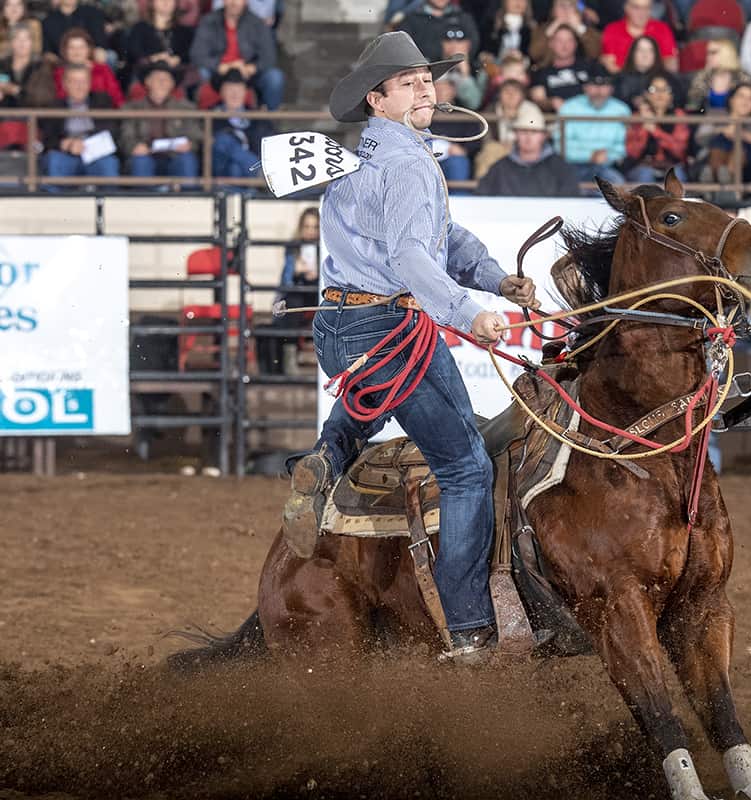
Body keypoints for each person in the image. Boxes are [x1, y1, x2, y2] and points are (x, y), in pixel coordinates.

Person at [286, 31, 541, 660]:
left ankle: (329, 450)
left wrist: (493, 277)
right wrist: (468, 310)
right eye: (409, 82)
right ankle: (470, 629)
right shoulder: (405, 163)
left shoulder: (372, 161)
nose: (427, 86)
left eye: (427, 78)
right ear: (378, 99)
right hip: (385, 329)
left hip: (363, 326)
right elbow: (409, 255)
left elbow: (441, 237)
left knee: (465, 445)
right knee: (466, 467)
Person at [190, 0, 284, 110]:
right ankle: (205, 116)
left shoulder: (257, 23)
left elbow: (269, 57)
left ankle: (269, 119)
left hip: (247, 72)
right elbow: (197, 54)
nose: (234, 2)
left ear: (246, 2)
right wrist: (219, 66)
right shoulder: (209, 21)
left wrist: (251, 68)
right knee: (202, 72)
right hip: (219, 71)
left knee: (275, 77)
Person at [259, 207, 320, 375]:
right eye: (307, 227)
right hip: (298, 294)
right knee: (292, 301)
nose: (310, 232)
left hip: (318, 293)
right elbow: (286, 282)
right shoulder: (293, 247)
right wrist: (295, 270)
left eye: (315, 227)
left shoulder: (325, 246)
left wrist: (318, 275)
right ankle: (290, 356)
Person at [120, 61, 200, 182]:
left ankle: (188, 200)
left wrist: (189, 145)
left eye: (166, 79)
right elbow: (126, 136)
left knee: (186, 160)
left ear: (172, 84)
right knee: (141, 162)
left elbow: (195, 136)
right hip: (146, 156)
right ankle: (143, 199)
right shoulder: (132, 108)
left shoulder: (186, 108)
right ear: (147, 82)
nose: (162, 83)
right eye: (157, 78)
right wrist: (134, 146)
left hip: (174, 156)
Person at [476, 102, 580, 195]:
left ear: (543, 136)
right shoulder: (500, 169)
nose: (528, 137)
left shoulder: (560, 168)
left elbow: (571, 201)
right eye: (524, 131)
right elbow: (482, 197)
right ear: (516, 135)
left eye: (534, 132)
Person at [41, 63, 120, 183]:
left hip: (96, 153)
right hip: (66, 154)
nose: (79, 86)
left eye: (83, 81)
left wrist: (86, 144)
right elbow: (47, 138)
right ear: (64, 84)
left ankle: (110, 201)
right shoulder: (54, 106)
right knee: (54, 160)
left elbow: (111, 130)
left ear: (90, 83)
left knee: (109, 164)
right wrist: (64, 144)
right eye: (74, 82)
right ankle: (55, 201)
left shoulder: (102, 101)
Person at [556, 63, 630, 184]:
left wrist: (608, 156)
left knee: (616, 183)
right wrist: (590, 156)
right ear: (585, 87)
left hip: (609, 166)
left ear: (611, 89)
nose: (599, 91)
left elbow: (623, 146)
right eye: (594, 85)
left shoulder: (622, 110)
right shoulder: (568, 108)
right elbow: (560, 145)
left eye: (604, 85)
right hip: (574, 165)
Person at [693, 82, 751, 184]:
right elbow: (699, 138)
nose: (745, 102)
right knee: (721, 140)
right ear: (731, 99)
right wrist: (721, 131)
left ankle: (723, 183)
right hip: (711, 158)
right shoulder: (715, 115)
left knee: (740, 146)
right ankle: (720, 181)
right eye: (741, 96)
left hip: (747, 168)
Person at [623, 75, 688, 183]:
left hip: (671, 165)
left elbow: (679, 151)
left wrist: (655, 131)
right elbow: (632, 153)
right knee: (645, 175)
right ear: (646, 94)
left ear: (671, 95)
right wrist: (644, 126)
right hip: (643, 166)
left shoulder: (678, 116)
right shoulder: (637, 117)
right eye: (654, 90)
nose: (660, 94)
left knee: (676, 176)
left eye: (665, 90)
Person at [210, 67, 273, 178]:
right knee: (223, 140)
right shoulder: (210, 116)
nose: (235, 94)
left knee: (236, 167)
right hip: (222, 170)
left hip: (243, 173)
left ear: (245, 92)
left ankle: (251, 183)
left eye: (239, 89)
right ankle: (259, 173)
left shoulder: (257, 116)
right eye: (230, 89)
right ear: (221, 92)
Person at [125, 0, 197, 93]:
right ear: (152, 3)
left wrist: (178, 59)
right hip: (146, 71)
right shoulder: (140, 28)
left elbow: (191, 52)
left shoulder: (184, 31)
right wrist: (152, 58)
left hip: (177, 72)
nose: (166, 2)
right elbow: (133, 51)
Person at [528, 24, 596, 111]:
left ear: (575, 44)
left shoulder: (590, 67)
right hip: (556, 119)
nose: (565, 45)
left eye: (569, 40)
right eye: (559, 41)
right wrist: (551, 103)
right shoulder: (540, 72)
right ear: (551, 44)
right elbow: (538, 99)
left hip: (586, 115)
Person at [600, 0, 678, 74]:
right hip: (622, 82)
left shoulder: (662, 29)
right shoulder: (612, 30)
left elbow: (670, 61)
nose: (642, 13)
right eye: (636, 8)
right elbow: (609, 63)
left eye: (646, 8)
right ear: (626, 8)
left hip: (655, 82)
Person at [53, 27, 124, 107]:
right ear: (65, 51)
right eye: (72, 48)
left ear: (89, 50)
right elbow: (57, 100)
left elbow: (116, 97)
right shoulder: (59, 73)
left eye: (81, 48)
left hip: (100, 114)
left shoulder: (102, 70)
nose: (77, 52)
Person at [685, 38, 751, 114]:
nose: (708, 57)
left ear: (726, 54)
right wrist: (703, 113)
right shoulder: (702, 77)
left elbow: (749, 108)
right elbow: (693, 107)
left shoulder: (742, 78)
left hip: (737, 122)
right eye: (707, 53)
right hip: (707, 122)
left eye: (713, 52)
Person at [613, 34, 681, 109]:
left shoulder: (668, 78)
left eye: (650, 50)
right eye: (640, 50)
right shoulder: (619, 78)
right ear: (632, 53)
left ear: (656, 54)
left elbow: (678, 101)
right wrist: (632, 102)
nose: (645, 55)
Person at [398, 0, 479, 62]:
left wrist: (464, 48)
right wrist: (442, 49)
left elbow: (474, 41)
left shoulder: (462, 17)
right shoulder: (411, 20)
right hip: (425, 72)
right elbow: (404, 49)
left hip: (459, 71)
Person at [528, 0, 601, 66]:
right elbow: (535, 54)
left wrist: (579, 27)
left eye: (570, 5)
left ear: (576, 10)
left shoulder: (586, 28)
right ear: (553, 10)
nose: (565, 9)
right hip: (550, 72)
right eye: (561, 5)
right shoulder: (543, 29)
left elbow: (595, 52)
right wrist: (552, 28)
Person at [0, 21, 55, 109]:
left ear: (32, 42)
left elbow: (42, 98)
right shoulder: (2, 64)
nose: (22, 43)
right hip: (4, 115)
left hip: (32, 117)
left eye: (26, 39)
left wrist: (15, 90)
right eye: (17, 39)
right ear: (11, 42)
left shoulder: (41, 65)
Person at [41, 0, 109, 61]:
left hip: (90, 60)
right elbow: (47, 51)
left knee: (109, 56)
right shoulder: (48, 21)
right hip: (62, 63)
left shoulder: (93, 13)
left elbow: (100, 43)